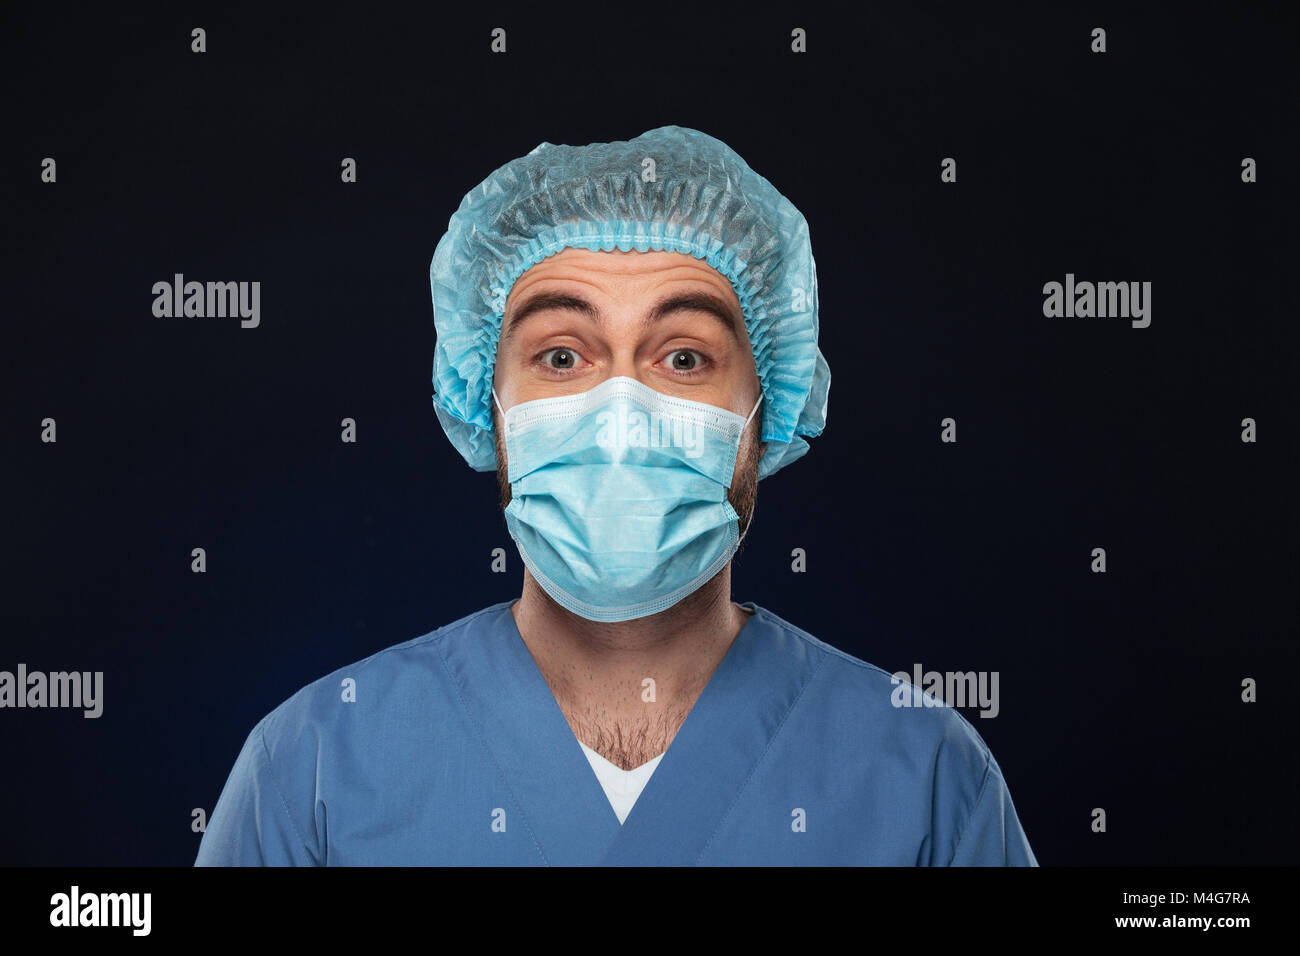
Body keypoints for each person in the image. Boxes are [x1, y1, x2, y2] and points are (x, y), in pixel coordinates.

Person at [195, 126, 1037, 865]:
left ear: (766, 407)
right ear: (485, 406)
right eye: (563, 357)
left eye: (683, 357)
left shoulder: (924, 777)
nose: (624, 415)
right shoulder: (314, 771)